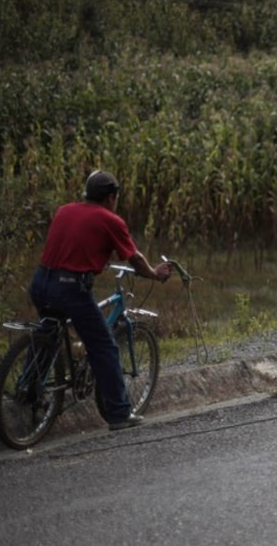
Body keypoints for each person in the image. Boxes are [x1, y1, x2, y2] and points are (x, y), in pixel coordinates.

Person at [28, 170, 171, 431]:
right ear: (111, 197)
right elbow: (134, 258)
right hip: (71, 289)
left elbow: (75, 244)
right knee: (104, 347)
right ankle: (118, 413)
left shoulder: (64, 211)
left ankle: (29, 387)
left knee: (48, 331)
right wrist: (154, 274)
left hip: (40, 283)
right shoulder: (110, 219)